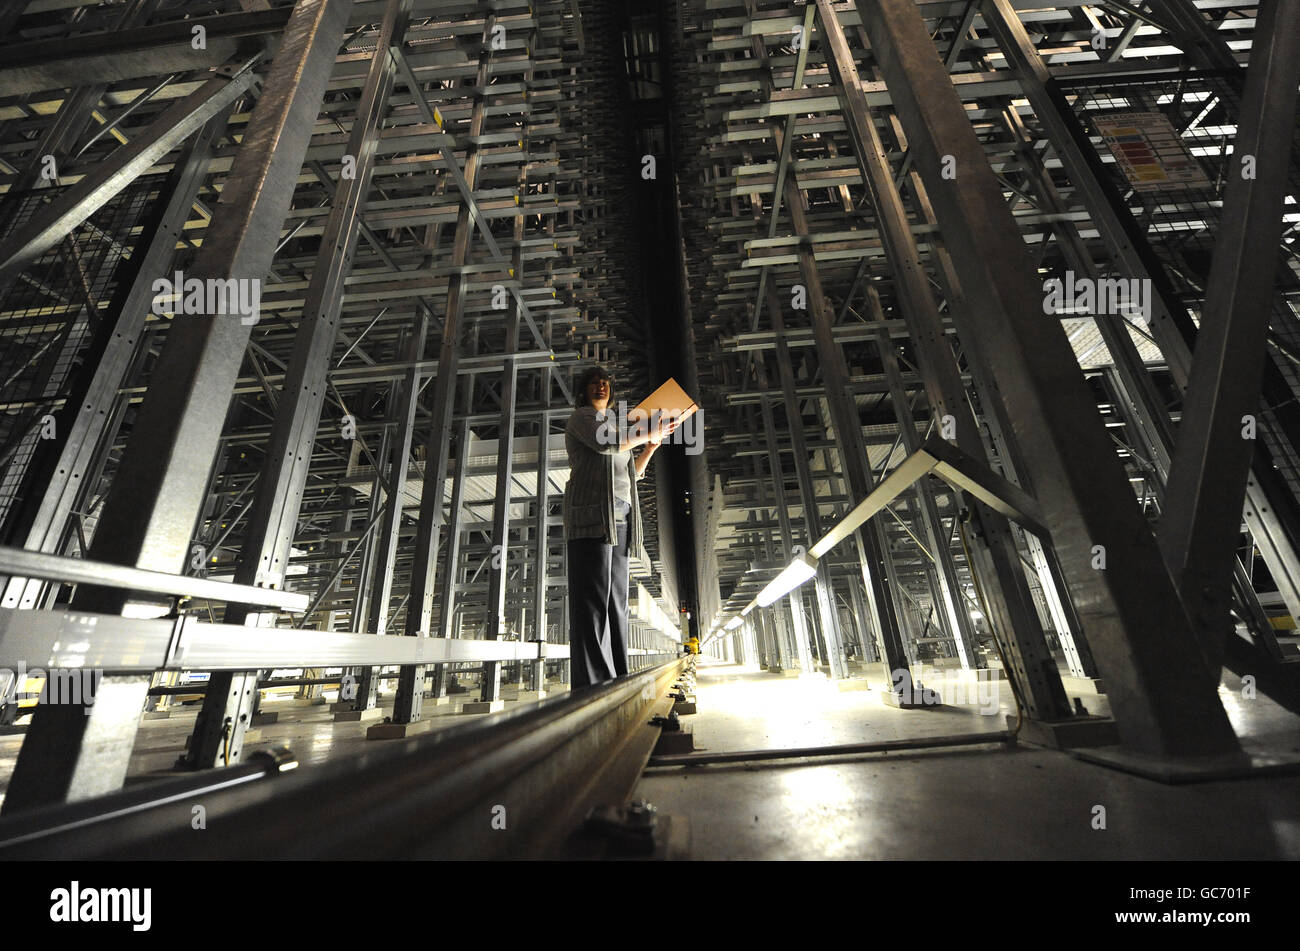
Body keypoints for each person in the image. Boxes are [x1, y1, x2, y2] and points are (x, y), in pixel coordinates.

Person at [563, 366, 677, 687]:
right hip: (591, 518)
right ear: (583, 391)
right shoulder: (583, 419)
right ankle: (593, 681)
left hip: (620, 518)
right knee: (594, 601)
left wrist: (650, 448)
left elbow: (630, 475)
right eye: (595, 383)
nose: (602, 387)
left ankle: (617, 674)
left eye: (606, 383)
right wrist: (647, 433)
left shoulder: (615, 425)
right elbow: (606, 446)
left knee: (616, 601)